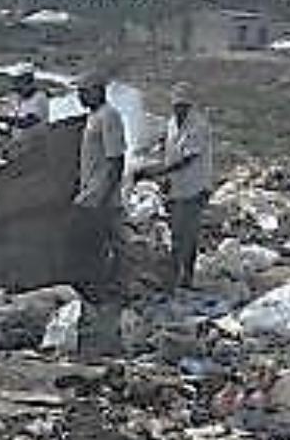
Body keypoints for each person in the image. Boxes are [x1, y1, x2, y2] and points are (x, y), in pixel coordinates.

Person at [139, 82, 213, 291]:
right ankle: (182, 275)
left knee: (185, 233)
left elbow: (187, 160)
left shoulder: (198, 125)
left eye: (183, 106)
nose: (179, 109)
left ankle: (180, 276)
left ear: (190, 106)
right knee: (180, 232)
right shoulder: (172, 122)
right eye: (176, 105)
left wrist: (159, 172)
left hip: (195, 187)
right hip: (178, 187)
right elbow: (168, 148)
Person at [68, 71, 126, 299]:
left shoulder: (109, 117)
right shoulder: (94, 117)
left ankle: (102, 287)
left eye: (83, 92)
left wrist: (104, 196)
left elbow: (117, 161)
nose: (80, 97)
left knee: (97, 243)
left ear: (98, 91)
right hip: (90, 192)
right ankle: (98, 285)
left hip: (99, 195)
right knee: (94, 242)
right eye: (78, 93)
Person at [0, 68, 50, 133]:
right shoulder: (18, 98)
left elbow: (27, 124)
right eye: (15, 83)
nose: (17, 88)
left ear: (30, 83)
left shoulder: (39, 97)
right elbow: (14, 129)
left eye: (19, 83)